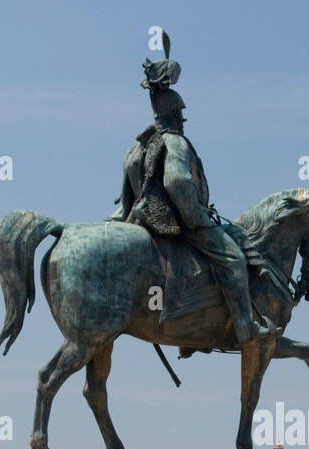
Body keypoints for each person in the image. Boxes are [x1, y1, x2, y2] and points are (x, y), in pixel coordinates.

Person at [110, 39, 272, 347]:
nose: (183, 121)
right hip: (178, 222)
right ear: (175, 113)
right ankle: (245, 326)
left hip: (138, 218)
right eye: (182, 115)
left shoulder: (138, 146)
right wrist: (198, 218)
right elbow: (176, 184)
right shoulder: (176, 144)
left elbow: (128, 195)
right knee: (234, 259)